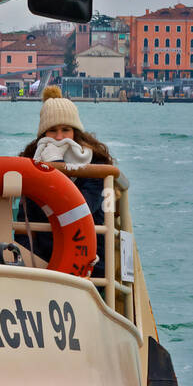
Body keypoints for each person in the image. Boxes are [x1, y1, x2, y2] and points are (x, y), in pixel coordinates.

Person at [17, 85, 114, 275]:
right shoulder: (31, 163)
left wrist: (57, 165)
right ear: (43, 135)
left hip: (90, 261)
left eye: (65, 130)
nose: (59, 138)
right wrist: (26, 260)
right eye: (52, 131)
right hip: (42, 258)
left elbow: (81, 207)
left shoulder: (95, 165)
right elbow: (26, 216)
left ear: (75, 133)